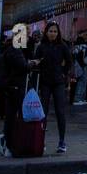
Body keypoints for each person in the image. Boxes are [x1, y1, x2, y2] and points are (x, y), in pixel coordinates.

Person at [31, 22, 73, 153]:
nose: (53, 33)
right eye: (50, 31)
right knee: (43, 112)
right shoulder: (41, 47)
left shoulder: (62, 46)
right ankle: (40, 141)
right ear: (46, 32)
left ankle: (62, 141)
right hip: (45, 82)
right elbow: (35, 62)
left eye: (55, 31)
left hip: (58, 82)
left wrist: (63, 72)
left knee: (60, 112)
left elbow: (70, 61)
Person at [0, 30, 32, 156]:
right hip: (15, 86)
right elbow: (22, 66)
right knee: (13, 116)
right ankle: (9, 143)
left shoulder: (10, 49)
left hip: (11, 86)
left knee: (11, 115)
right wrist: (31, 64)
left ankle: (9, 141)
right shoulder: (15, 50)